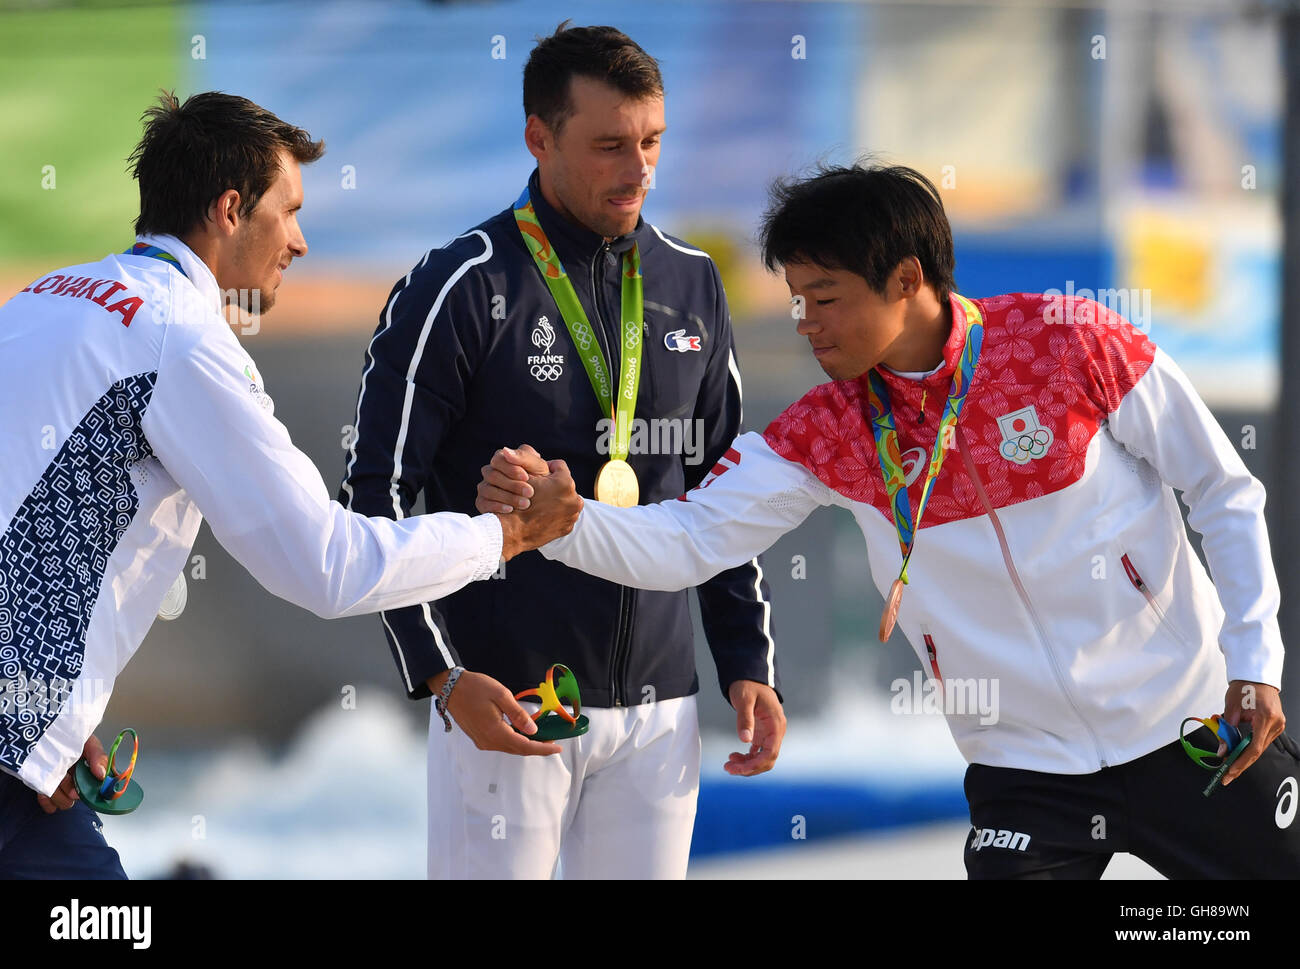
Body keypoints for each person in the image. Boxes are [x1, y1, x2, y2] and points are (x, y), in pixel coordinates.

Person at [482, 161, 1300, 879]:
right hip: (1024, 767)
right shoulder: (825, 429)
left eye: (825, 298)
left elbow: (1224, 490)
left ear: (907, 278)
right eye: (798, 298)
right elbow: (692, 539)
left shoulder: (1069, 341)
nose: (805, 322)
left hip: (1189, 722)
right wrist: (569, 522)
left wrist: (1254, 660)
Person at [0, 91, 579, 880]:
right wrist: (506, 535)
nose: (302, 242)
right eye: (291, 211)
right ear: (232, 210)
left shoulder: (41, 299)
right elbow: (325, 562)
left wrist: (49, 719)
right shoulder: (181, 333)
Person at [339, 23, 783, 880]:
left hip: (661, 711)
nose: (640, 167)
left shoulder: (692, 282)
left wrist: (746, 662)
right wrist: (441, 673)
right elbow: (375, 497)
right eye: (610, 144)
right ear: (539, 137)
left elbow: (727, 493)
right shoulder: (462, 282)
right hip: (509, 700)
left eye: (653, 140)